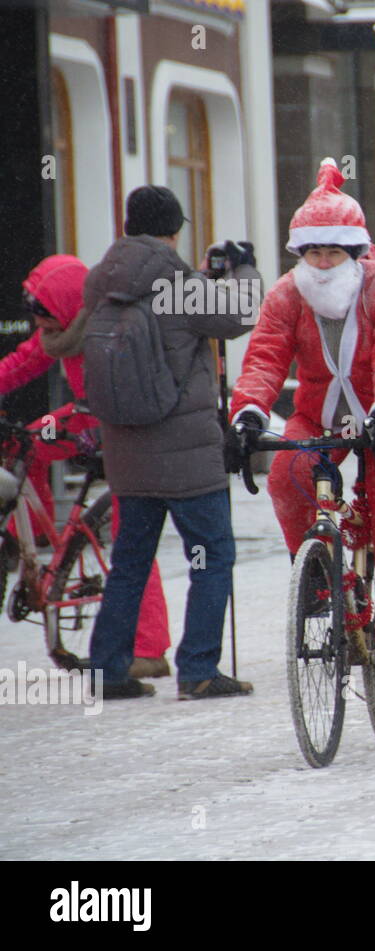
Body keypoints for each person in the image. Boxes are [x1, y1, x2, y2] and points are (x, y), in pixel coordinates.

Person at [227, 159, 375, 712]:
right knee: (287, 477)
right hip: (320, 418)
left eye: (333, 251)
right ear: (300, 254)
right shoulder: (288, 294)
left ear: (355, 252)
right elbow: (265, 360)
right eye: (312, 251)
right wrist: (247, 414)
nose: (322, 261)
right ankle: (318, 577)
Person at [84, 185, 260, 700]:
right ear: (175, 229)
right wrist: (243, 270)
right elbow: (236, 317)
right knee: (210, 556)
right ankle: (199, 669)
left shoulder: (102, 280)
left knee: (131, 562)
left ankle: (108, 669)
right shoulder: (176, 281)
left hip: (126, 451)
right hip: (186, 456)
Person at [3, 255, 172, 676]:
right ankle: (34, 541)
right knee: (24, 441)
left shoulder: (108, 329)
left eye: (44, 314)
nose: (39, 325)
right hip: (83, 418)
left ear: (63, 305)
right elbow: (19, 364)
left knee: (130, 536)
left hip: (123, 429)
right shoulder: (59, 333)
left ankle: (149, 650)